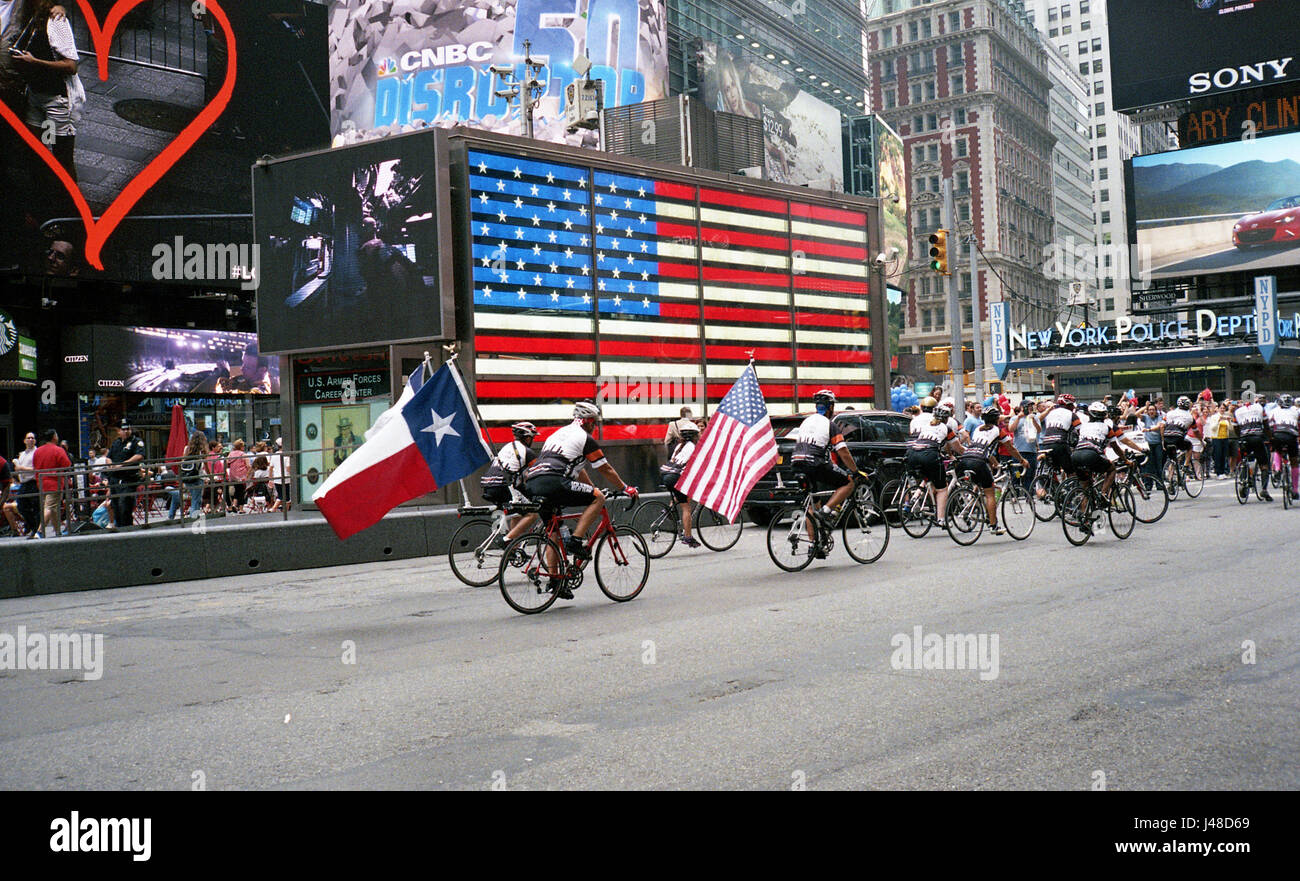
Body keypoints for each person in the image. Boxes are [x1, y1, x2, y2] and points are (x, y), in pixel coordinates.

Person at [520, 400, 638, 600]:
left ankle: (557, 581)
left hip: (532, 482)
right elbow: (605, 468)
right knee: (598, 498)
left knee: (552, 532)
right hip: (554, 481)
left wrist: (590, 489)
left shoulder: (558, 434)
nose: (595, 426)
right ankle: (576, 541)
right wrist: (624, 488)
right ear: (588, 421)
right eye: (594, 422)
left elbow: (579, 468)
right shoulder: (585, 438)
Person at [11, 0, 83, 221]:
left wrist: (36, 62)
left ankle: (70, 211)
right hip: (36, 97)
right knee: (36, 151)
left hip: (57, 100)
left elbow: (71, 65)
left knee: (62, 157)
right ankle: (41, 206)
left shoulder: (56, 20)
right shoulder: (31, 17)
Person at [791, 390, 862, 540]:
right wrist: (855, 471)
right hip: (814, 463)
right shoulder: (830, 425)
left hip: (796, 463)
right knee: (848, 483)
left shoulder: (806, 422)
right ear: (830, 407)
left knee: (811, 507)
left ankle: (814, 545)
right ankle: (826, 510)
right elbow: (843, 451)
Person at [1071, 401, 1144, 530]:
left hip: (1076, 456)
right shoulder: (1107, 428)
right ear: (1104, 415)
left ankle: (1085, 519)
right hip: (1091, 455)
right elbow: (1116, 447)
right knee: (1111, 469)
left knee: (1086, 490)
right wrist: (1125, 460)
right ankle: (1104, 494)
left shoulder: (1083, 426)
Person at [957, 405, 1028, 536]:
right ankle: (993, 525)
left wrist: (995, 463)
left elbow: (982, 448)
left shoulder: (978, 429)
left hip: (965, 458)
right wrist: (1022, 460)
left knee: (979, 485)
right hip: (979, 462)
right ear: (996, 419)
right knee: (990, 493)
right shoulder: (998, 431)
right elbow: (1011, 448)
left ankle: (970, 508)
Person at [905, 401, 964, 527]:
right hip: (929, 455)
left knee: (927, 477)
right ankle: (941, 519)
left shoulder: (926, 426)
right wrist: (968, 453)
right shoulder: (946, 428)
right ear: (946, 418)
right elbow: (957, 447)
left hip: (913, 454)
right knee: (942, 489)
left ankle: (914, 498)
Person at [485, 422, 541, 547]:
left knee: (518, 512)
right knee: (532, 513)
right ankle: (507, 540)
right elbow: (538, 473)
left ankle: (513, 549)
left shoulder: (508, 447)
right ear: (527, 437)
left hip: (489, 485)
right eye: (533, 437)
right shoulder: (527, 452)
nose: (532, 440)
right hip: (503, 486)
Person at [659, 421, 701, 548]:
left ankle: (669, 510)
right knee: (686, 507)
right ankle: (688, 537)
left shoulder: (679, 446)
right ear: (693, 436)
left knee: (683, 495)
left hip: (666, 475)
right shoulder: (692, 447)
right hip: (675, 477)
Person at [106, 419, 146, 529]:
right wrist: (111, 465)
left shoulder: (136, 441)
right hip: (115, 479)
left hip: (128, 479)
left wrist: (123, 464)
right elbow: (108, 457)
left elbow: (140, 456)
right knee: (116, 506)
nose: (126, 431)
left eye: (128, 429)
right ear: (119, 431)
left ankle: (127, 529)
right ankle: (119, 529)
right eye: (123, 429)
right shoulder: (116, 443)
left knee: (125, 505)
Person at [31, 427, 70, 537]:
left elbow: (35, 465)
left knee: (52, 507)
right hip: (55, 483)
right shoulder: (58, 450)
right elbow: (67, 464)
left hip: (41, 482)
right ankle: (39, 531)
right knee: (49, 507)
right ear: (54, 437)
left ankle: (58, 531)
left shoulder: (38, 451)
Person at [1037, 394, 1081, 486]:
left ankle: (1054, 490)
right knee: (1070, 470)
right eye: (1072, 405)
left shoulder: (1050, 413)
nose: (1073, 407)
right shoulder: (1072, 415)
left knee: (1053, 468)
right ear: (1067, 405)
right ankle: (1071, 491)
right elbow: (1081, 431)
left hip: (1046, 443)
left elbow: (1038, 419)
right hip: (1059, 443)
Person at [1234, 395, 1272, 501]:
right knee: (1264, 464)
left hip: (1244, 438)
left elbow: (1235, 426)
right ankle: (1264, 489)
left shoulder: (1238, 411)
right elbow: (1266, 424)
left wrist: (1240, 437)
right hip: (1257, 438)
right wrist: (1270, 438)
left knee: (1244, 459)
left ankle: (1243, 478)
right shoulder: (1260, 408)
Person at [1268, 393, 1299, 497]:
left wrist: (1270, 437)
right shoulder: (1296, 410)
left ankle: (1277, 469)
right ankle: (1295, 490)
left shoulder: (1274, 411)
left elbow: (1269, 425)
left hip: (1278, 435)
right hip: (1291, 436)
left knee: (1277, 451)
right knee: (1294, 461)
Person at [10, 430, 38, 534]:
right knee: (21, 505)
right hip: (23, 483)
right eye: (28, 438)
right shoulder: (22, 454)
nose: (31, 440)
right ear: (24, 441)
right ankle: (30, 524)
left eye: (32, 438)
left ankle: (35, 528)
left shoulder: (36, 452)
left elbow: (37, 468)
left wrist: (22, 468)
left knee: (35, 506)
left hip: (32, 482)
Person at [175, 431, 207, 519]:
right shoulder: (202, 450)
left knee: (194, 497)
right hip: (198, 476)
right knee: (197, 499)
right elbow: (205, 464)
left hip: (188, 476)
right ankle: (194, 517)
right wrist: (209, 475)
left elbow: (183, 462)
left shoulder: (187, 448)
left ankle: (194, 515)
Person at [1008, 400, 1040, 491]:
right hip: (1018, 451)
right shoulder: (1014, 418)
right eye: (1028, 406)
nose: (1030, 408)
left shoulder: (1035, 417)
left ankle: (1029, 493)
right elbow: (1011, 429)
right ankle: (1016, 492)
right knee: (1017, 473)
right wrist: (1018, 418)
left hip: (1031, 450)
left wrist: (1033, 419)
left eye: (1031, 406)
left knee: (1029, 474)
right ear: (1022, 407)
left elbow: (1039, 430)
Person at [1163, 397, 1196, 479]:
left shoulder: (1169, 413)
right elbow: (1196, 431)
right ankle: (1186, 465)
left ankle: (1170, 481)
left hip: (1166, 438)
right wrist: (1201, 441)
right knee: (1190, 446)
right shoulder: (1190, 417)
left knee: (1172, 460)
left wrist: (1162, 439)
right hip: (1178, 438)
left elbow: (1161, 425)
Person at [1139, 401, 1165, 480]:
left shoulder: (1159, 417)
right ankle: (1148, 484)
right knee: (1149, 464)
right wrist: (1145, 406)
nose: (1151, 411)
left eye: (1153, 409)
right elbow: (1136, 414)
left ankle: (1159, 482)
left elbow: (1158, 426)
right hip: (1148, 444)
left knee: (1158, 464)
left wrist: (1148, 430)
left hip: (1157, 443)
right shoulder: (1146, 417)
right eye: (1150, 410)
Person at [225, 438, 249, 511]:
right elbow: (248, 465)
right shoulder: (243, 454)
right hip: (242, 476)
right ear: (241, 446)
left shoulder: (231, 454)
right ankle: (241, 508)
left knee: (237, 490)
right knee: (241, 491)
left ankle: (234, 504)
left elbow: (227, 463)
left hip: (233, 475)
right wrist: (249, 473)